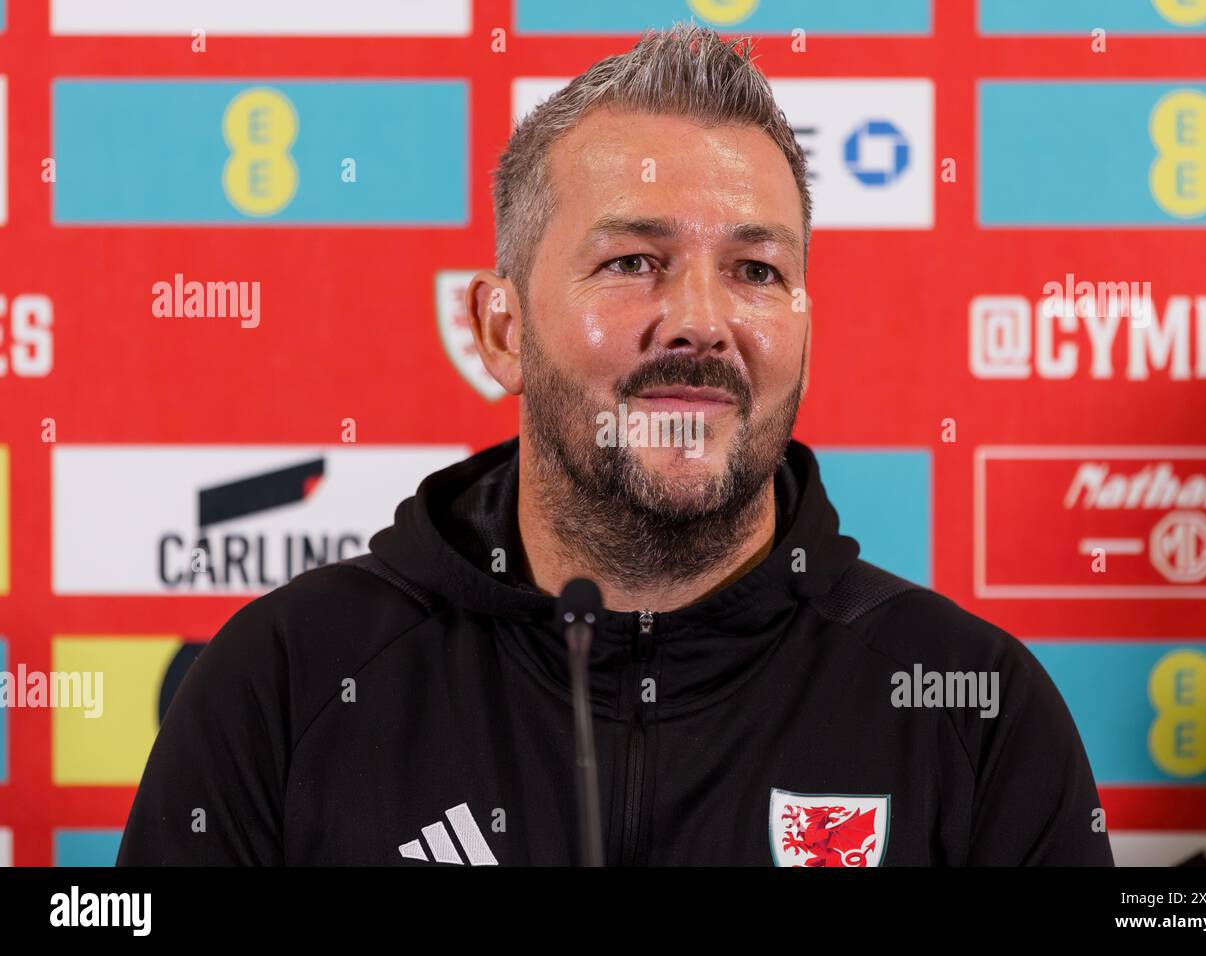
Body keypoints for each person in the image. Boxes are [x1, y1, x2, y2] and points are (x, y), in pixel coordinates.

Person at [118, 23, 1112, 866]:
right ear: (500, 329)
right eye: (633, 260)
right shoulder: (283, 684)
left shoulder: (976, 710)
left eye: (755, 270)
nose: (700, 321)